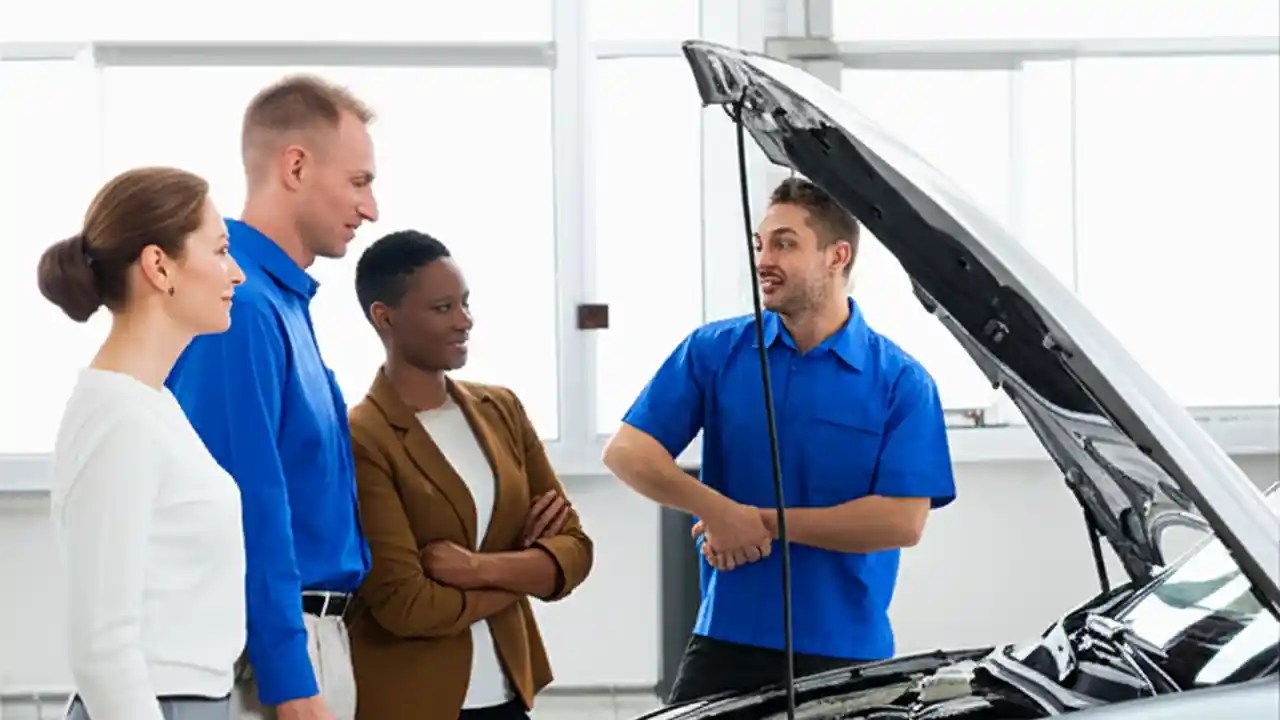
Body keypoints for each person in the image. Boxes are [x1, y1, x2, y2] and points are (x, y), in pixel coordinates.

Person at [603, 177, 957, 703]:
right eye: (759, 244)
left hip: (847, 649)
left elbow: (901, 522)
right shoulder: (714, 351)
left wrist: (759, 522)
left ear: (837, 256)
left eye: (785, 244)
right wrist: (716, 511)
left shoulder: (902, 381)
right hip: (727, 633)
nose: (764, 259)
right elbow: (628, 451)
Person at [165, 74, 379, 720]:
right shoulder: (243, 306)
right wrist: (289, 681)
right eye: (360, 182)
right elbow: (245, 504)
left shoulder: (283, 302)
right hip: (275, 659)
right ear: (295, 166)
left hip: (316, 640)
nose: (371, 209)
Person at [344, 230, 594, 720]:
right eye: (442, 308)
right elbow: (406, 604)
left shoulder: (500, 408)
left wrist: (479, 568)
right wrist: (529, 570)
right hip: (413, 701)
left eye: (465, 303)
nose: (465, 321)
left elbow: (576, 548)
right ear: (384, 317)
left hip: (507, 693)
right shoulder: (363, 436)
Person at [38, 166, 246, 720]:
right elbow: (101, 646)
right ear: (159, 266)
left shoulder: (152, 406)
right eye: (221, 250)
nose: (237, 273)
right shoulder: (118, 416)